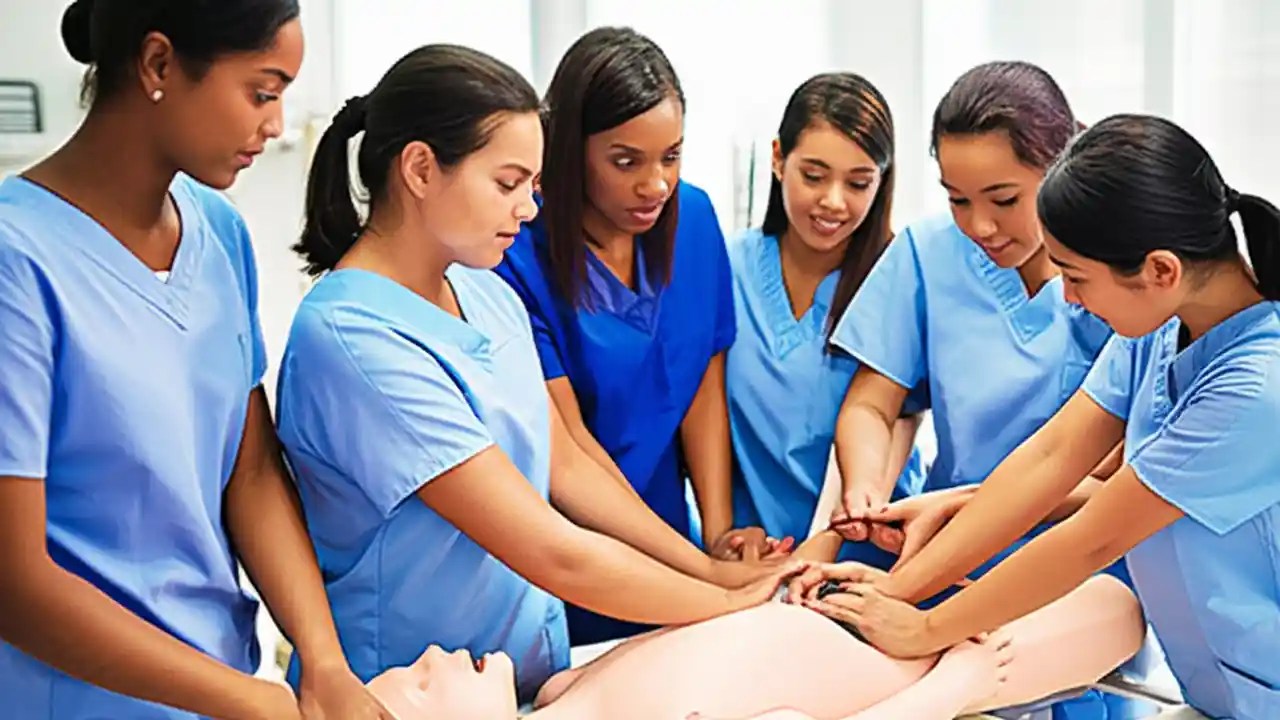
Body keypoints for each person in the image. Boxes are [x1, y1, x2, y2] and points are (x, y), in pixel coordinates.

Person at [275, 43, 799, 706]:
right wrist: (737, 607)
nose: (528, 209)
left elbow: (569, 466)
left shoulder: (484, 290)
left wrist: (714, 571)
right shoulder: (353, 339)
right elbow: (553, 551)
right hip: (406, 692)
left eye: (532, 185)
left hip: (519, 676)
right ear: (420, 169)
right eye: (507, 183)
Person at [810, 114, 1280, 720]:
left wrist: (926, 628)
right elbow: (1050, 457)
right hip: (1221, 693)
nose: (1068, 298)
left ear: (1160, 271)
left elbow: (1095, 539)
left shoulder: (1257, 385)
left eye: (1078, 277)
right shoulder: (1162, 327)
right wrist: (899, 588)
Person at [0, 2, 392, 719]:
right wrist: (248, 702)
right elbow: (14, 581)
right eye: (263, 92)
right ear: (158, 65)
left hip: (225, 682)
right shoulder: (16, 260)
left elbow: (250, 471)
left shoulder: (218, 233)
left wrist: (324, 662)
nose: (274, 124)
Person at [494, 26, 769, 646]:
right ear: (569, 150)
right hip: (572, 555)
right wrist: (703, 571)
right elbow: (568, 452)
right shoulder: (518, 256)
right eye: (626, 162)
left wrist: (719, 533)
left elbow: (701, 378)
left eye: (670, 156)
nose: (655, 185)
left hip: (675, 537)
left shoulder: (692, 219)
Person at [361, 571, 1146, 720]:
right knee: (1118, 608)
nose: (428, 656)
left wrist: (762, 600)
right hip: (945, 659)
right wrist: (961, 687)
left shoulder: (560, 693)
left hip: (860, 611)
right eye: (416, 686)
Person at [725, 72, 926, 549]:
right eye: (813, 176)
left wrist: (826, 543)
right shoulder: (728, 267)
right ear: (778, 159)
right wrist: (724, 535)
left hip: (864, 552)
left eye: (858, 183)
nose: (833, 202)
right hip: (752, 553)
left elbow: (896, 421)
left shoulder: (899, 279)